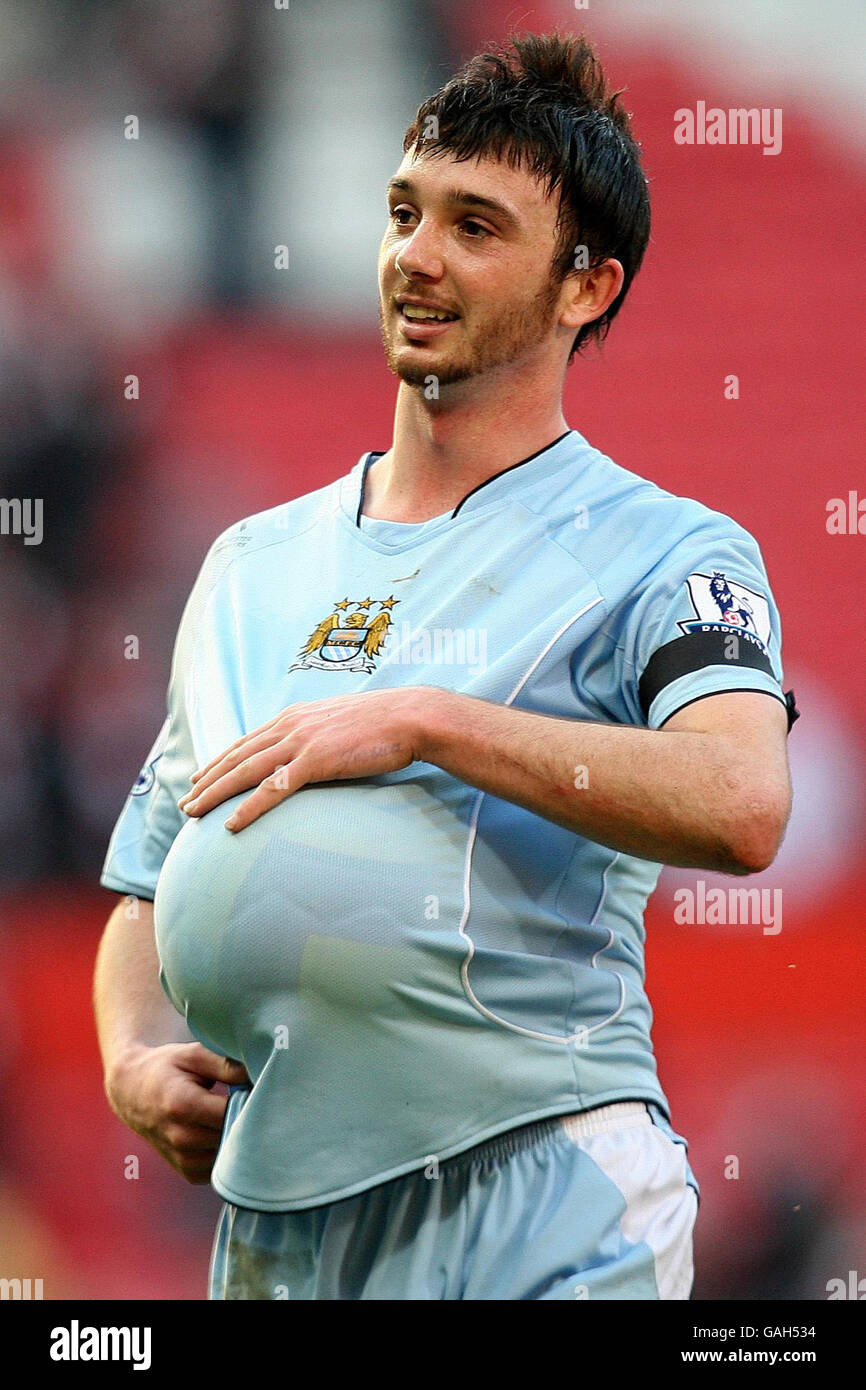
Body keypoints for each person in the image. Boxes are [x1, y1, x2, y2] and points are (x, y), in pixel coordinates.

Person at [94, 32, 797, 1301]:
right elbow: (151, 875)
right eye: (403, 212)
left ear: (585, 286)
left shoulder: (671, 551)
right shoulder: (250, 561)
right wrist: (133, 1052)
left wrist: (428, 722)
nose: (415, 254)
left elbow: (741, 805)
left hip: (537, 1197)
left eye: (474, 226)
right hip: (276, 1223)